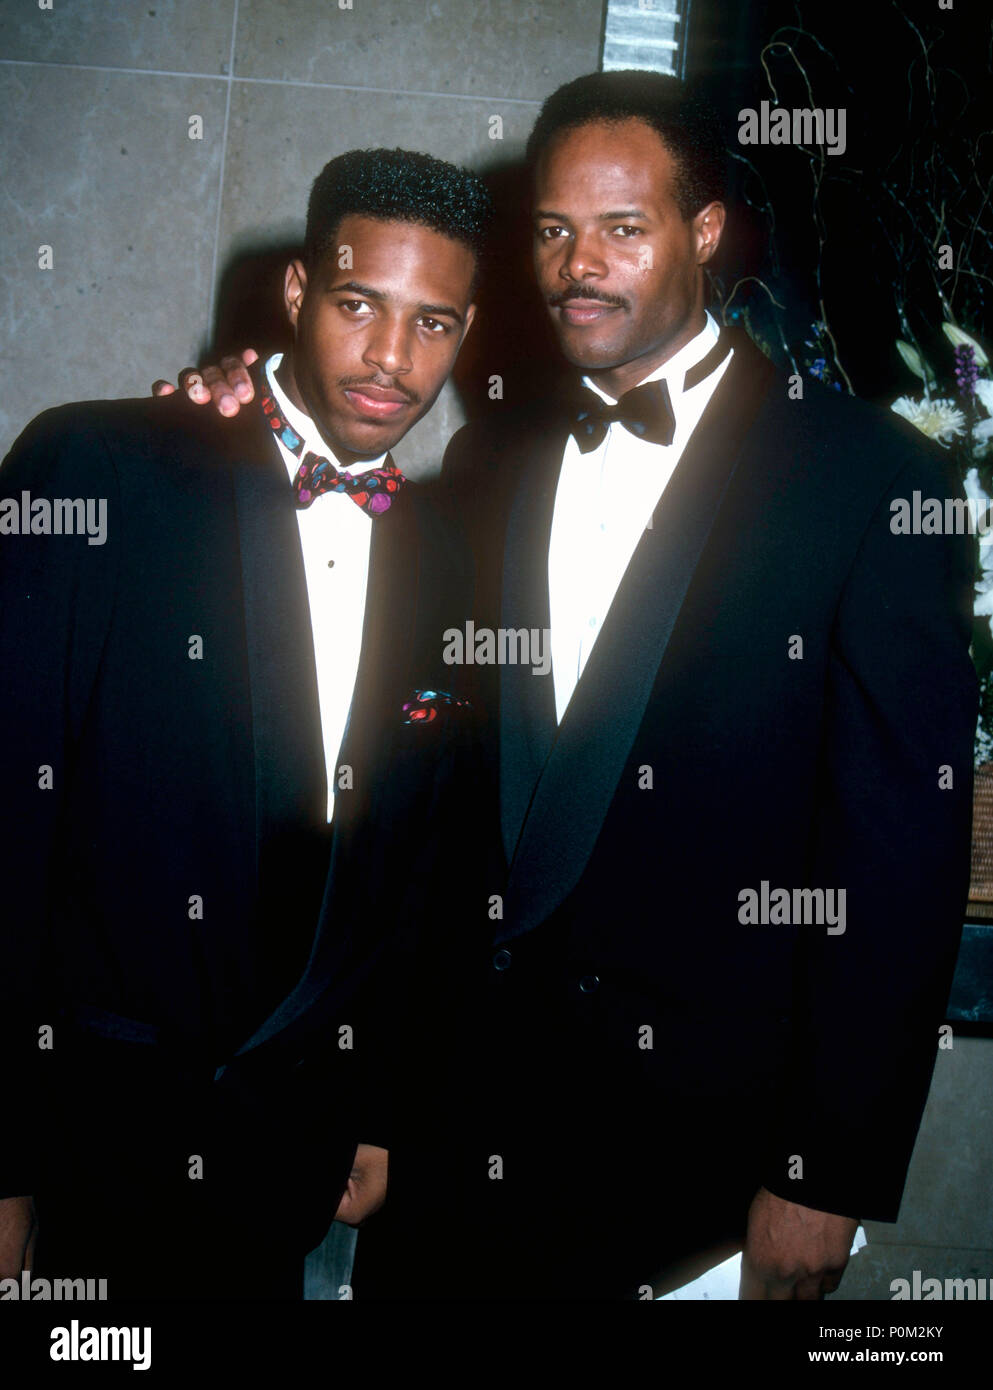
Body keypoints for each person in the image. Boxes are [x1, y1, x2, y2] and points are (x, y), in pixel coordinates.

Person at [165, 72, 978, 1302]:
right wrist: (227, 412)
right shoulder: (494, 456)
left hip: (696, 1177)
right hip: (453, 1151)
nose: (576, 266)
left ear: (703, 233)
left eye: (622, 228)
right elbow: (430, 822)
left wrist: (829, 1170)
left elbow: (897, 859)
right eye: (550, 230)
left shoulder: (870, 480)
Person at [0, 146, 490, 1299]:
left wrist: (373, 1107)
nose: (391, 359)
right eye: (360, 304)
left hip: (288, 1162)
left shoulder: (445, 553)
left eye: (435, 324)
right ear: (295, 294)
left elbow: (407, 873)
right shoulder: (97, 463)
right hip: (82, 1151)